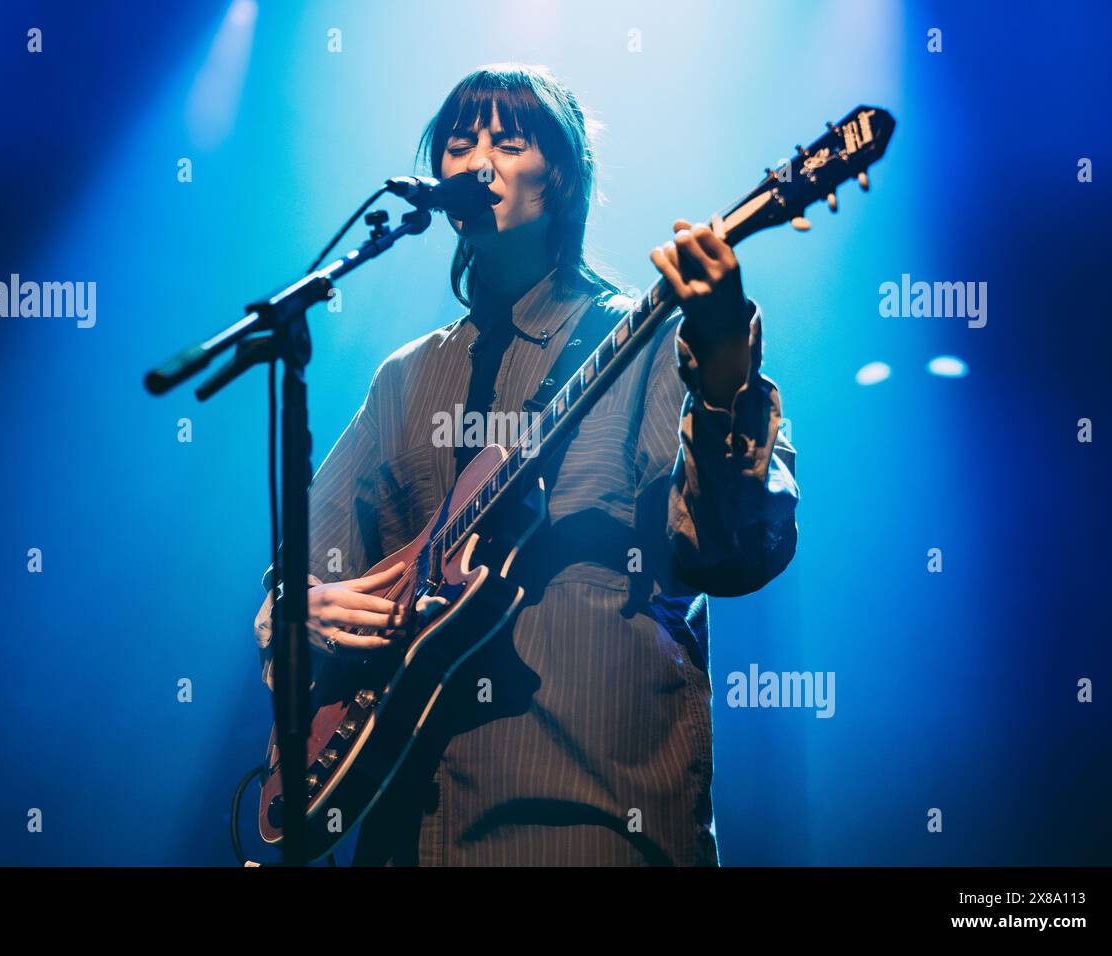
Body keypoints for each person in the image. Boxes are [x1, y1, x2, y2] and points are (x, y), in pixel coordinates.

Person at [254, 62, 798, 865]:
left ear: (564, 181)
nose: (479, 159)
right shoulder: (405, 379)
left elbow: (734, 552)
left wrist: (720, 371)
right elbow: (303, 571)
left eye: (508, 142)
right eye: (459, 142)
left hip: (591, 820)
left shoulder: (646, 340)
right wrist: (294, 614)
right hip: (407, 833)